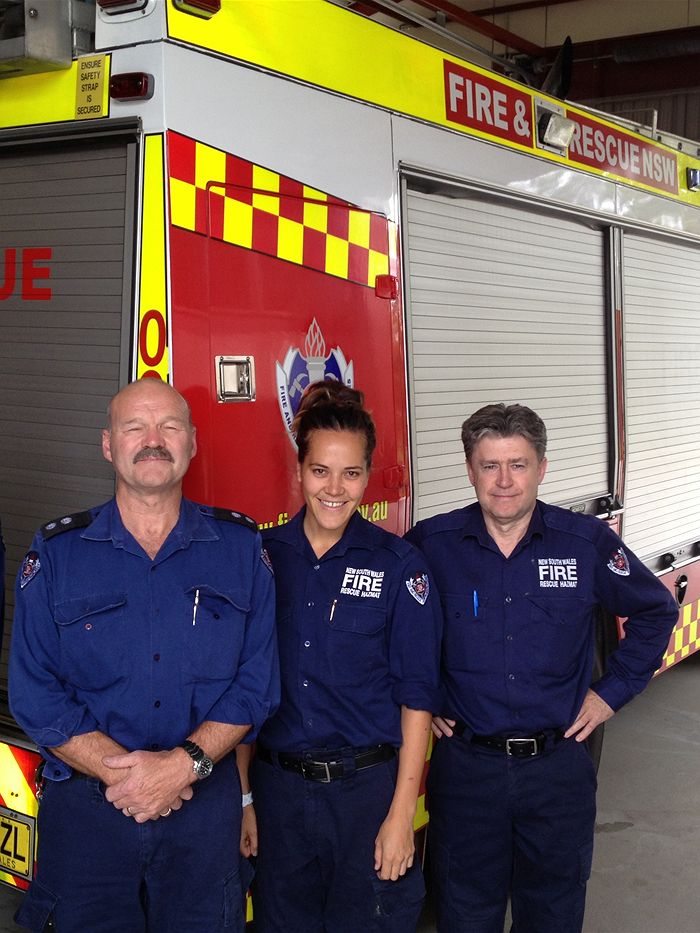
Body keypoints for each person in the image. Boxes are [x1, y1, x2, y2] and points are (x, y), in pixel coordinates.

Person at [9, 378, 279, 933]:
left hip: (202, 815)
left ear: (192, 443)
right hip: (88, 819)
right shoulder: (57, 553)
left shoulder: (242, 549)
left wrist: (182, 765)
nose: (152, 440)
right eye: (135, 427)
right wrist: (130, 778)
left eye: (169, 427)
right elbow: (35, 693)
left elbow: (257, 682)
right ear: (109, 444)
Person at [405, 402, 678, 933]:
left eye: (519, 464)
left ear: (542, 468)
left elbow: (656, 610)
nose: (504, 481)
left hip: (558, 769)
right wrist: (427, 693)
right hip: (467, 771)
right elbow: (395, 627)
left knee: (552, 913)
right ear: (469, 470)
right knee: (464, 914)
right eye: (490, 465)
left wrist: (609, 694)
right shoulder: (431, 545)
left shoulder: (585, 543)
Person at [237, 381, 442, 932]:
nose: (335, 488)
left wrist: (401, 814)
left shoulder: (400, 568)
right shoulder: (263, 559)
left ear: (368, 476)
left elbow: (417, 698)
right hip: (279, 794)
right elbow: (242, 689)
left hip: (365, 797)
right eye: (320, 471)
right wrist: (244, 799)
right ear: (299, 470)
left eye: (351, 473)